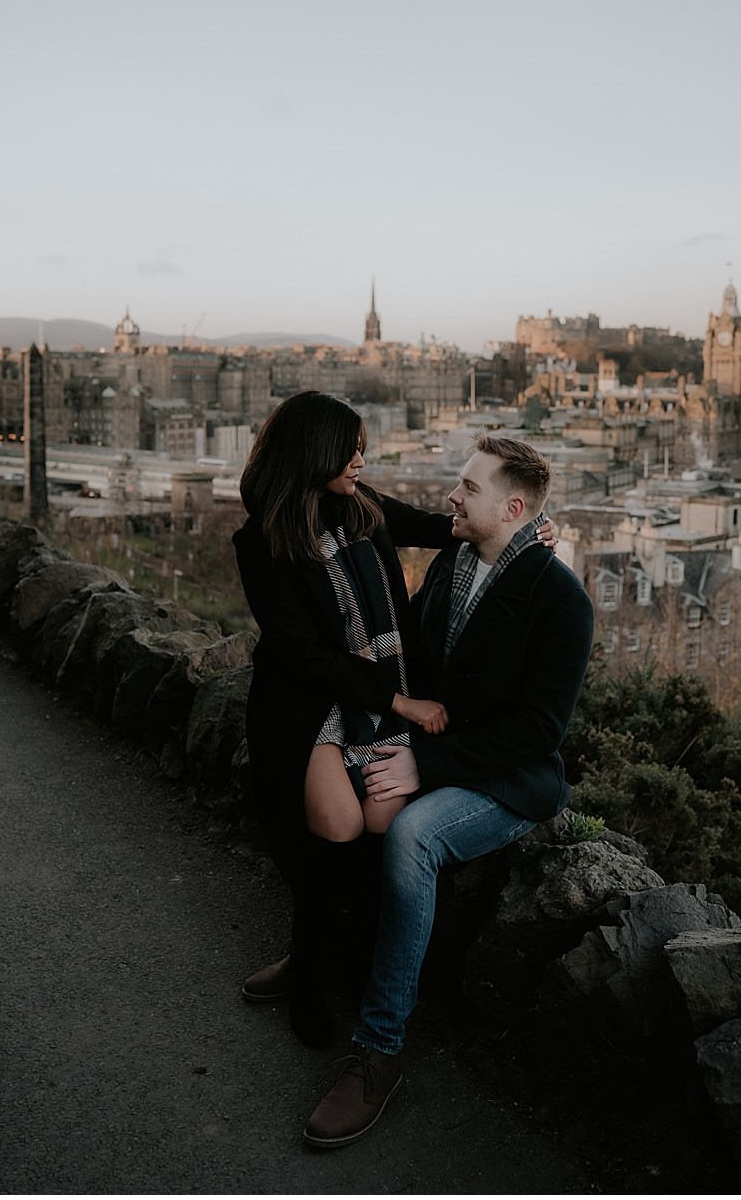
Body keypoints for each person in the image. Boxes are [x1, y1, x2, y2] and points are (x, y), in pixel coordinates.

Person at [302, 433, 594, 1149]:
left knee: (411, 834)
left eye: (468, 488)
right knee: (325, 775)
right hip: (432, 744)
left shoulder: (561, 600)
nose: (452, 498)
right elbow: (418, 665)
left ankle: (379, 1050)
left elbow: (536, 732)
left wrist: (424, 770)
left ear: (515, 507)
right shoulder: (455, 562)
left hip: (508, 778)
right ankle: (317, 953)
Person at [233, 391, 457, 1048]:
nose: (363, 458)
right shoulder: (262, 540)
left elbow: (430, 525)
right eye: (351, 448)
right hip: (308, 706)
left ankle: (341, 960)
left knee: (381, 823)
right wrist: (399, 701)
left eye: (363, 447)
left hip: (372, 694)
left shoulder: (362, 508)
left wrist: (512, 528)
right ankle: (309, 979)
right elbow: (305, 655)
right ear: (313, 451)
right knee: (339, 823)